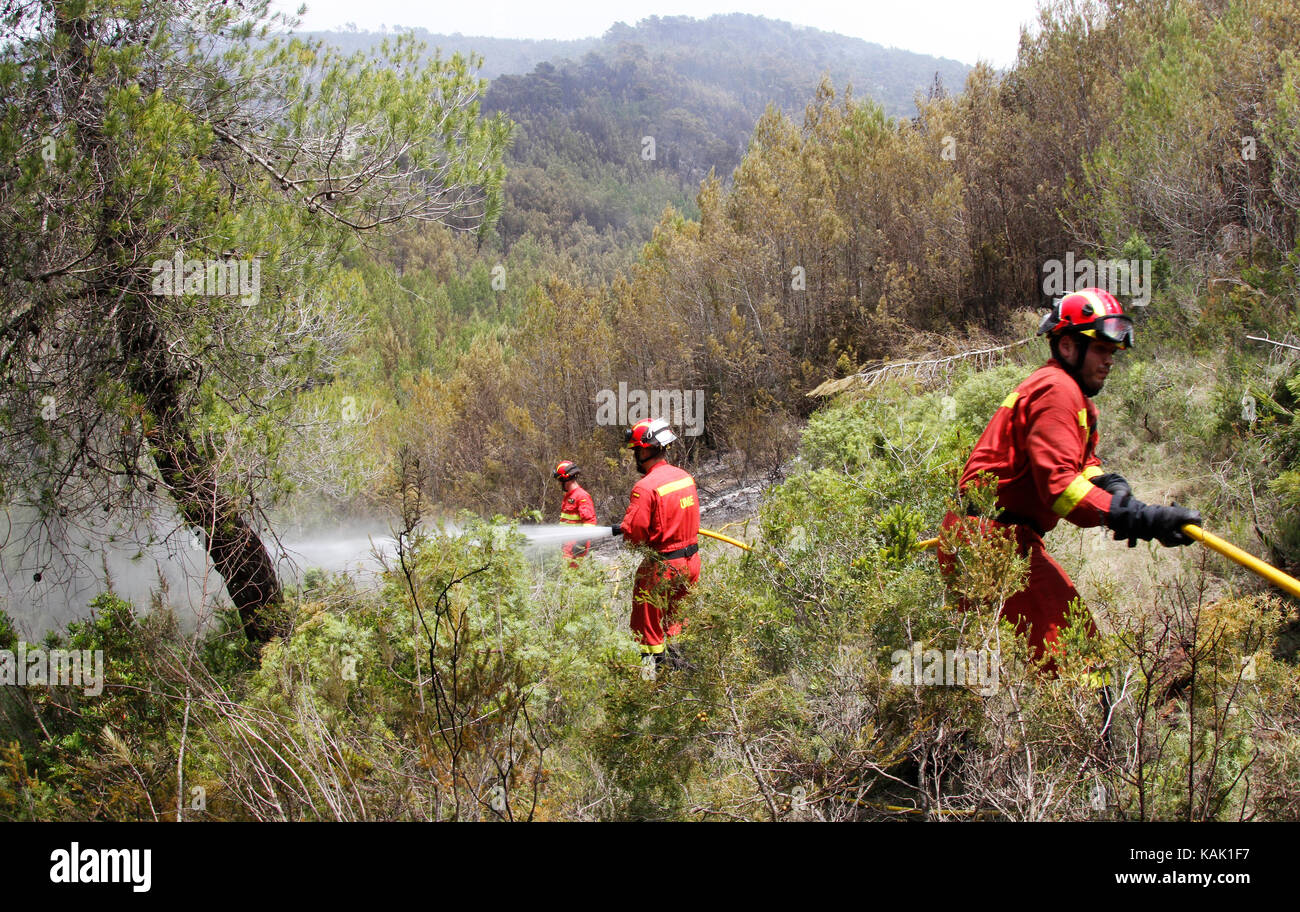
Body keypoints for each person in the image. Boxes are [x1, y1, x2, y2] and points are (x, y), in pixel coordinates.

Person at [938, 287, 1201, 667]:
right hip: (993, 540)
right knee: (1076, 655)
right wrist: (1135, 517)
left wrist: (1110, 486)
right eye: (1100, 350)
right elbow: (1060, 488)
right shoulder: (1057, 391)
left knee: (1005, 664)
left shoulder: (1072, 396)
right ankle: (1091, 726)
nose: (1108, 361)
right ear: (1066, 346)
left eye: (1112, 353)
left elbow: (1080, 465)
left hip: (990, 537)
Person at [609, 418, 701, 676]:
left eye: (636, 451)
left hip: (662, 567)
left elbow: (636, 533)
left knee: (647, 626)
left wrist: (630, 534)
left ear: (645, 449)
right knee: (679, 621)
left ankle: (653, 684)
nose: (636, 457)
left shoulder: (645, 487)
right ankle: (684, 678)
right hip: (691, 563)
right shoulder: (685, 478)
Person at [555, 460, 597, 567]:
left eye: (560, 480)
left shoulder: (582, 496)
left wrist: (580, 544)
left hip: (575, 548)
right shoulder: (569, 496)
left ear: (566, 479)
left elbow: (590, 523)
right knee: (567, 576)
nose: (559, 483)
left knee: (572, 578)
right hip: (567, 545)